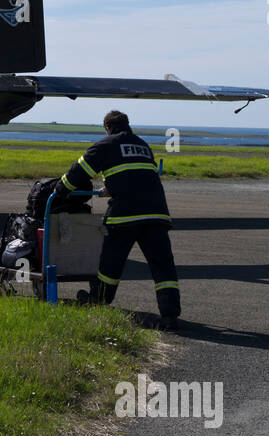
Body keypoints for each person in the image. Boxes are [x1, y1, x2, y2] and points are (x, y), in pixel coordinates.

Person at [54, 110, 180, 330]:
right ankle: (170, 315)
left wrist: (60, 190)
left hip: (126, 214)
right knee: (163, 267)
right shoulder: (142, 145)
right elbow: (136, 176)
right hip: (156, 214)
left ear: (107, 128)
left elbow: (79, 171)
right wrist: (111, 188)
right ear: (127, 125)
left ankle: (99, 299)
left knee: (110, 262)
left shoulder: (106, 144)